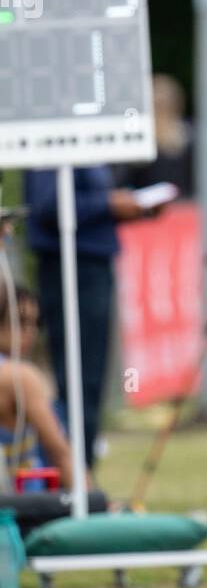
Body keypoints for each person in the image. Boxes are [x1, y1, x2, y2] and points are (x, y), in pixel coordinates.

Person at [23, 166, 153, 473]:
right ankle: (73, 478)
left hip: (92, 260)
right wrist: (109, 204)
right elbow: (49, 205)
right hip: (70, 265)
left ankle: (82, 474)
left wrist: (128, 208)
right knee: (78, 379)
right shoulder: (55, 140)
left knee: (89, 382)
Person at [0, 281, 74, 491]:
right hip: (21, 508)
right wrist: (95, 508)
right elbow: (60, 452)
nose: (30, 332)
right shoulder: (20, 377)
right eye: (20, 322)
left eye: (35, 323)